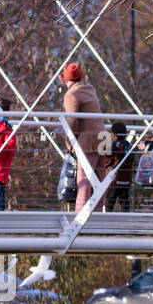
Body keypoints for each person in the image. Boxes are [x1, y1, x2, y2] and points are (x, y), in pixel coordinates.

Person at [62, 62, 103, 212]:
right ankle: (99, 216)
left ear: (65, 80)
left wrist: (69, 141)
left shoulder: (71, 94)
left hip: (88, 140)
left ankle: (80, 218)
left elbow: (71, 119)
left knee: (83, 180)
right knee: (100, 180)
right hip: (102, 137)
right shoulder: (90, 88)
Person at [102, 121, 133, 212]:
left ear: (114, 135)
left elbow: (106, 159)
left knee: (109, 202)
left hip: (115, 179)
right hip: (126, 179)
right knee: (124, 202)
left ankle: (108, 222)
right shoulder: (129, 145)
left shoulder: (114, 146)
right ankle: (126, 222)